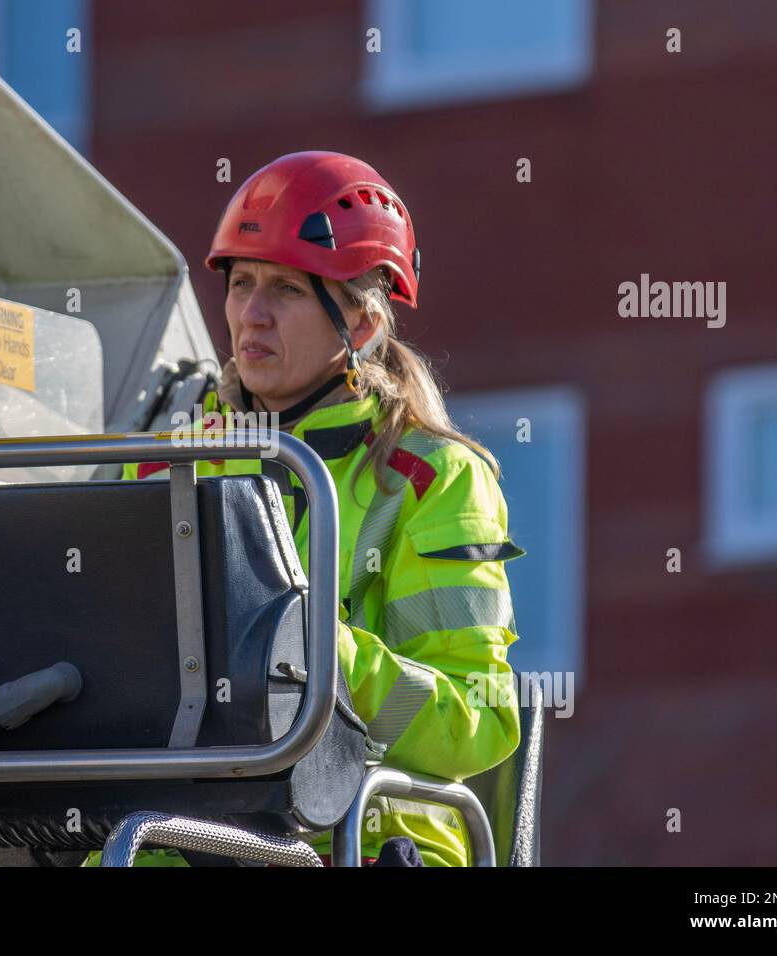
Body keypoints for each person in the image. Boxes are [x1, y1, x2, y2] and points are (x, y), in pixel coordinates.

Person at [116, 151, 525, 867]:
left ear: (362, 327)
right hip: (167, 839)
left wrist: (326, 657)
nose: (252, 314)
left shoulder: (435, 480)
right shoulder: (165, 462)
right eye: (241, 283)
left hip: (365, 840)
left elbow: (479, 722)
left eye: (287, 290)